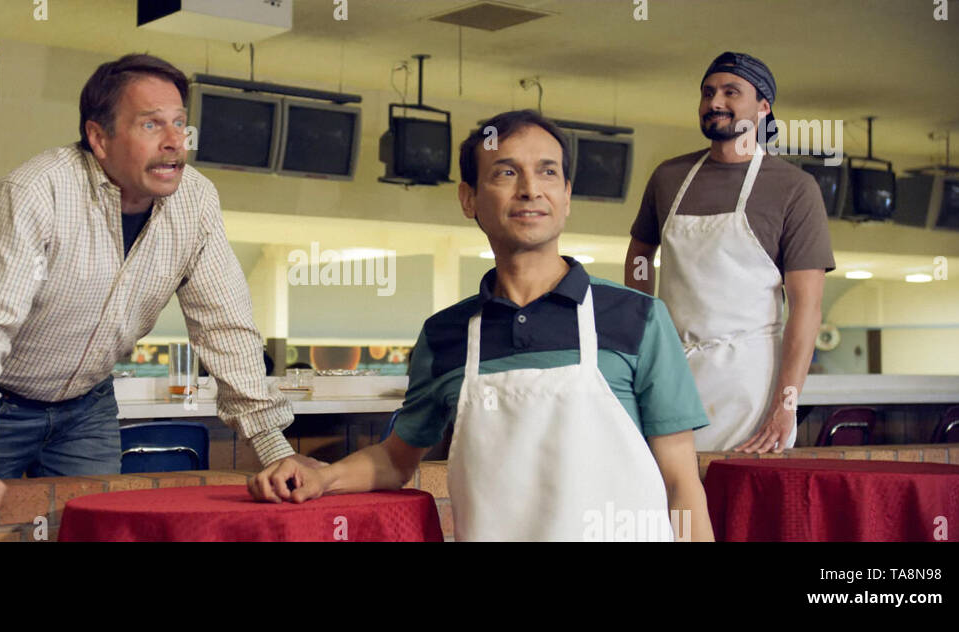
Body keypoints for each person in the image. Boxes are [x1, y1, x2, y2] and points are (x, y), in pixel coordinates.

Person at [250, 110, 714, 542]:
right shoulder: (445, 335)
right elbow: (396, 459)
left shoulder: (638, 319)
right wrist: (321, 474)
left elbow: (680, 481)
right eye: (506, 172)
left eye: (548, 171)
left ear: (567, 196)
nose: (531, 189)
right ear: (469, 198)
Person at [0, 53, 311, 530]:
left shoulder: (197, 200)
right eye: (151, 125)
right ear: (99, 139)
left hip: (88, 407)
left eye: (180, 124)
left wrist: (274, 449)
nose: (174, 143)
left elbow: (224, 325)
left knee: (92, 535)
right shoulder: (35, 192)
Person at [624, 52, 835, 454]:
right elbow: (639, 254)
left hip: (750, 386)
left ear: (763, 107)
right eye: (707, 92)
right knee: (669, 501)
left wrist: (785, 404)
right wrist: (640, 324)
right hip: (671, 372)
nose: (714, 102)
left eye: (730, 92)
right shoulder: (668, 177)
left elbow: (807, 308)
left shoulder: (795, 188)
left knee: (739, 504)